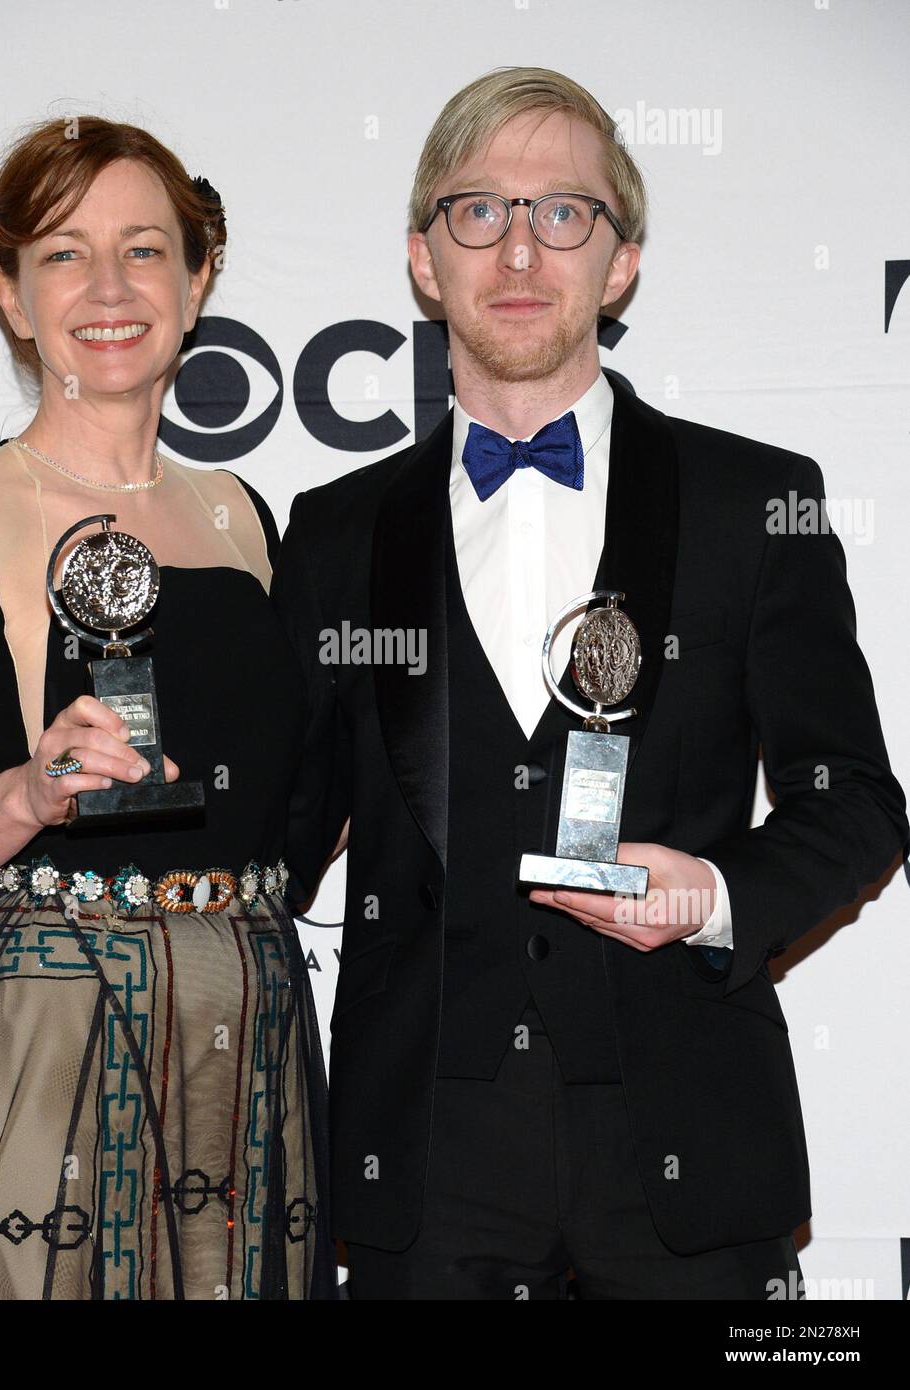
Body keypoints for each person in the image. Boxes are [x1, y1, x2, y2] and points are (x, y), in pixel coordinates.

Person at [265, 68, 909, 1298]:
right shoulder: (335, 532)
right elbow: (277, 837)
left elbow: (854, 802)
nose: (518, 247)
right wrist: (67, 911)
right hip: (422, 1170)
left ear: (619, 263)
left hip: (688, 1159)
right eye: (478, 212)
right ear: (422, 258)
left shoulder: (750, 504)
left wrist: (717, 893)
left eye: (564, 212)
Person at [0, 116, 335, 1300]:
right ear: (9, 293)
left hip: (247, 1044)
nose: (109, 289)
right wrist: (23, 795)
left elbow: (294, 812)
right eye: (63, 253)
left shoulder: (247, 520)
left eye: (144, 250)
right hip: (52, 1047)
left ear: (197, 278)